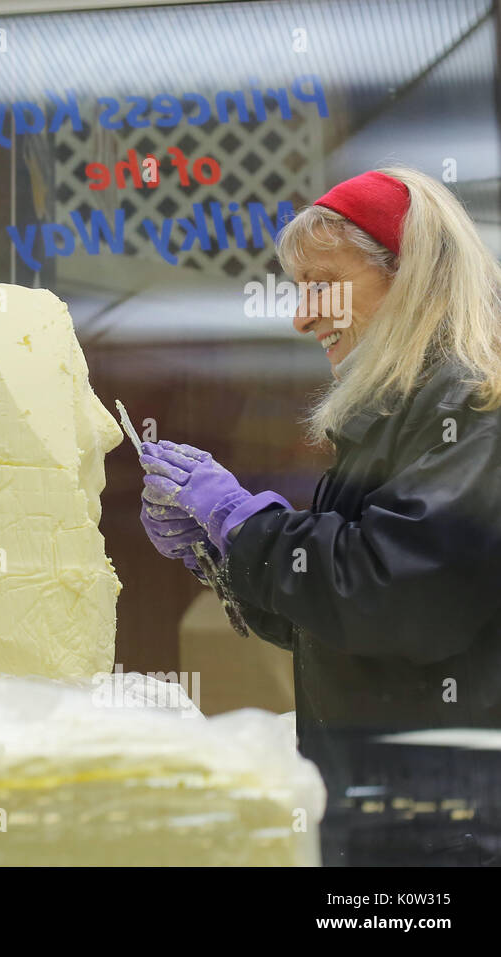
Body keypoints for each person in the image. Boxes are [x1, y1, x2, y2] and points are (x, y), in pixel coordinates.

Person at [139, 167, 501, 865]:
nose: (303, 316)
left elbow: (397, 592)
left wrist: (245, 525)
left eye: (321, 283)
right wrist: (224, 554)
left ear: (416, 277)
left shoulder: (471, 409)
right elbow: (340, 622)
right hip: (388, 825)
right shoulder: (396, 418)